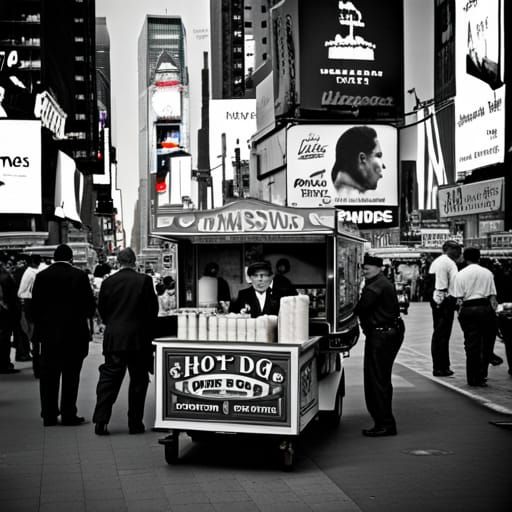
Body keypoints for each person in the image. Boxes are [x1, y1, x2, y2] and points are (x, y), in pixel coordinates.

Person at [92, 248, 158, 436]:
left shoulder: (108, 282)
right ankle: (135, 423)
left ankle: (101, 420)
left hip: (115, 338)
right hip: (138, 339)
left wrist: (113, 324)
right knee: (138, 380)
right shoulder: (144, 280)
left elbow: (102, 310)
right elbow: (152, 310)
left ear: (118, 262)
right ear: (134, 261)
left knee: (109, 380)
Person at [32, 244, 95, 426]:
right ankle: (68, 413)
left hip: (49, 337)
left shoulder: (41, 277)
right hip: (75, 336)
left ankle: (49, 415)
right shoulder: (80, 276)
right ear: (71, 258)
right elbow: (89, 308)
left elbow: (35, 308)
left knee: (49, 377)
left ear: (53, 257)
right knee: (71, 376)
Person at [355, 254, 405, 437]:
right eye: (363, 267)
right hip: (389, 332)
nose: (364, 270)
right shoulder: (381, 282)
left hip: (382, 335)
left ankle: (384, 423)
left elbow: (361, 308)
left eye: (368, 267)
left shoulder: (376, 286)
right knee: (380, 377)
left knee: (376, 379)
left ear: (379, 268)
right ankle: (383, 421)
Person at [454, 247, 498, 387]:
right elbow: (493, 297)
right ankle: (482, 375)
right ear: (479, 258)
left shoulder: (460, 274)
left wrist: (460, 313)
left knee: (471, 344)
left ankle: (472, 378)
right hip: (484, 308)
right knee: (485, 343)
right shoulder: (488, 273)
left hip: (468, 309)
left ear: (465, 258)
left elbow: (459, 298)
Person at [428, 240, 461, 377]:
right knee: (441, 335)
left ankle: (443, 365)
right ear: (448, 249)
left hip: (443, 300)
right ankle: (439, 367)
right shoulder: (444, 262)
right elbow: (440, 285)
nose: (459, 253)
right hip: (443, 301)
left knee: (442, 335)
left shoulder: (445, 261)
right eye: (456, 250)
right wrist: (443, 302)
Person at [331, 125, 386, 195]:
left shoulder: (332, 197)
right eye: (378, 155)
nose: (384, 166)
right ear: (362, 158)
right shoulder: (361, 198)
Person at [17, 254, 43, 376]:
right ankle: (37, 366)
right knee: (34, 335)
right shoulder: (29, 273)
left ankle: (38, 364)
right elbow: (22, 291)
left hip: (32, 304)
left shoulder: (36, 272)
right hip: (31, 304)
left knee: (36, 337)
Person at [0, 255, 19, 373]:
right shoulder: (6, 277)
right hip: (4, 312)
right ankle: (4, 364)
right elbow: (12, 296)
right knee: (4, 338)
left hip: (3, 309)